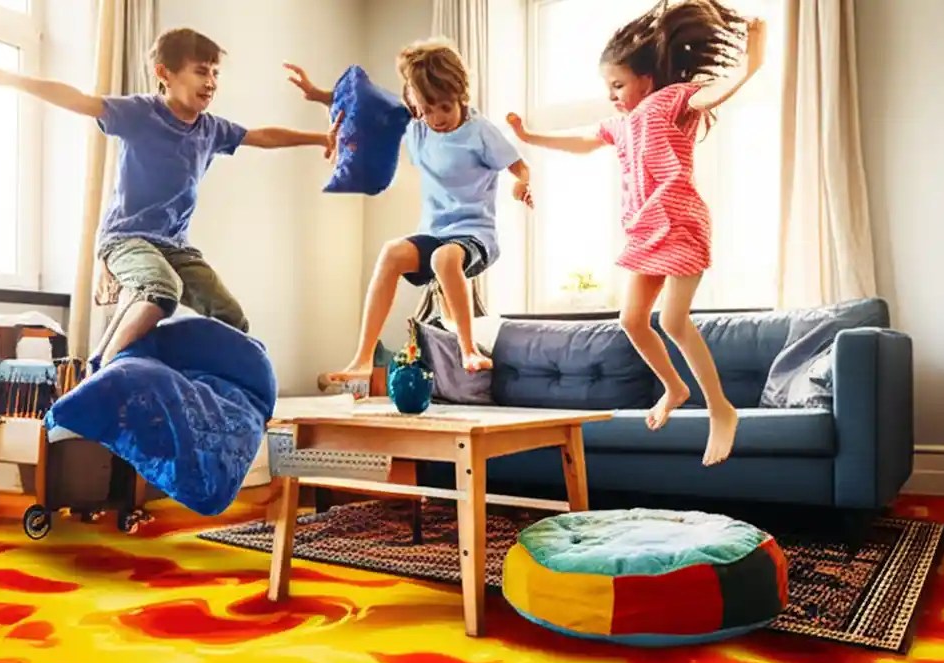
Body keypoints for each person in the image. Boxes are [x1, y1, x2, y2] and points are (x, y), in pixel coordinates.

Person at [0, 27, 343, 367]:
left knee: (232, 319)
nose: (211, 81)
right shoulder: (140, 113)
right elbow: (79, 100)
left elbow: (262, 136)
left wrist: (319, 139)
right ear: (164, 73)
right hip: (127, 238)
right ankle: (103, 371)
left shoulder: (211, 129)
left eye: (215, 73)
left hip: (176, 246)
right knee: (161, 291)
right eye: (200, 71)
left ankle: (201, 388)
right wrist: (12, 79)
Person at [506, 1, 766, 466]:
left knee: (672, 321)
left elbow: (716, 93)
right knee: (631, 319)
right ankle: (675, 386)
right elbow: (583, 142)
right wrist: (531, 136)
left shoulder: (670, 102)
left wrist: (754, 58)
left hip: (682, 222)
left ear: (646, 80)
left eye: (618, 85)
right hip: (647, 232)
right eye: (608, 87)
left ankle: (721, 409)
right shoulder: (622, 125)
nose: (612, 95)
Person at [284, 38, 534, 390]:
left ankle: (467, 349)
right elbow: (361, 108)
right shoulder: (415, 125)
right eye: (426, 110)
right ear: (414, 103)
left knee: (446, 259)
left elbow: (520, 167)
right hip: (434, 231)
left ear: (461, 94)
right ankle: (362, 358)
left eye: (445, 108)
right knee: (391, 252)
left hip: (475, 234)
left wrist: (520, 185)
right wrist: (319, 95)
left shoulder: (479, 132)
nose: (436, 119)